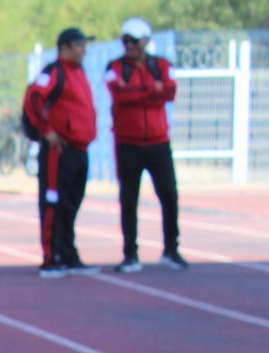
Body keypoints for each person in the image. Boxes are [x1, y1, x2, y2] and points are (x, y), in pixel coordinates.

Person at [107, 17, 187, 272]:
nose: (129, 45)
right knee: (129, 199)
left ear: (145, 41)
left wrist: (140, 90)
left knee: (169, 196)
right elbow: (119, 93)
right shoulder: (115, 67)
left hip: (158, 143)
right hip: (128, 144)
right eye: (125, 41)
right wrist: (153, 90)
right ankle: (130, 254)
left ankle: (171, 249)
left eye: (133, 41)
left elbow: (171, 91)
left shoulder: (162, 64)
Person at [24, 27, 98, 278]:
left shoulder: (79, 73)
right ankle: (51, 256)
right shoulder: (54, 72)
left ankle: (68, 253)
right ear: (65, 47)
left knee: (72, 203)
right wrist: (46, 130)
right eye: (79, 45)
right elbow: (33, 98)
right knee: (54, 202)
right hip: (59, 151)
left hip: (80, 149)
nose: (84, 49)